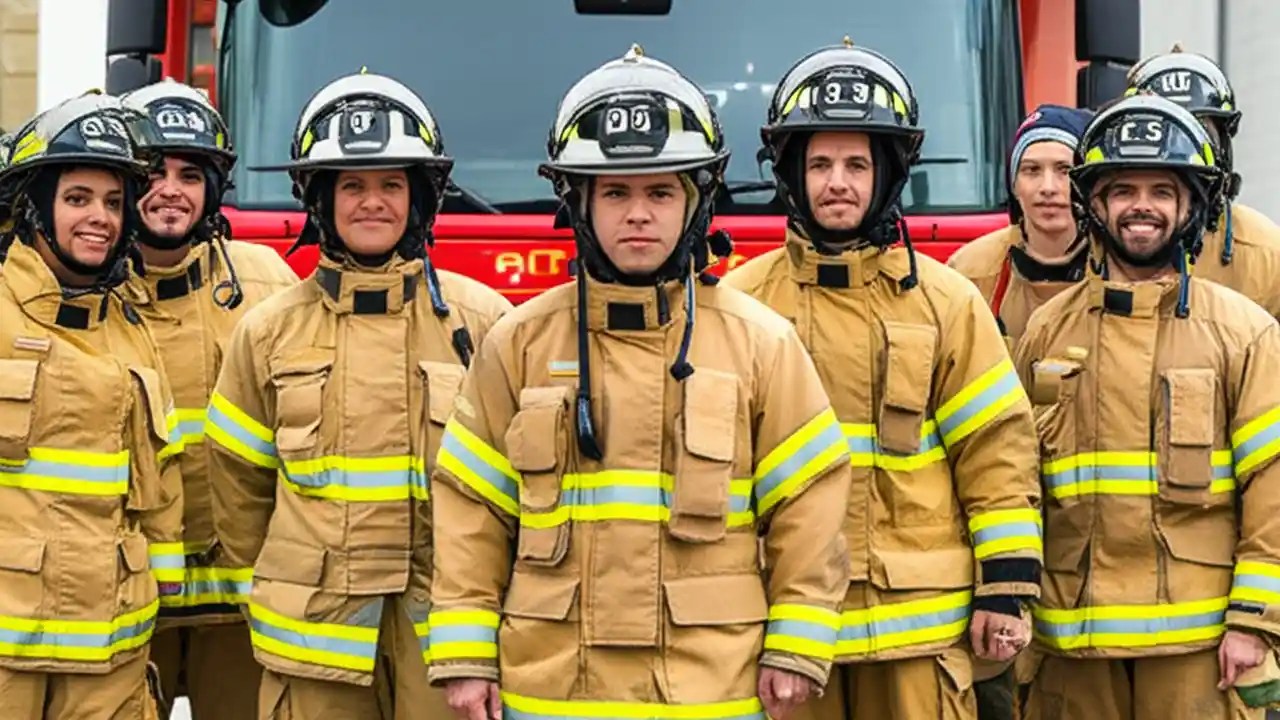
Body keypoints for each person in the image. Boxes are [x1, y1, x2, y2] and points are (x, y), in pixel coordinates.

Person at [428, 45, 852, 720]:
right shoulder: (518, 343)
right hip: (551, 691)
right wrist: (466, 657)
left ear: (695, 203)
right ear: (579, 201)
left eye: (660, 192)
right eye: (615, 193)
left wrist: (796, 648)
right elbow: (470, 512)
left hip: (711, 692)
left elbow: (810, 508)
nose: (637, 213)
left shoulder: (761, 344)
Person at [721, 40, 1044, 720]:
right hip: (785, 633)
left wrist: (1005, 586)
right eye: (820, 164)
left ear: (888, 173)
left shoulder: (947, 303)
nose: (837, 182)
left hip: (918, 634)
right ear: (792, 173)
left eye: (857, 165)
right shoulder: (740, 304)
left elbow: (997, 452)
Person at [204, 70, 512, 718]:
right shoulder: (267, 331)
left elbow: (512, 489)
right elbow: (239, 491)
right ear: (321, 199)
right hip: (313, 646)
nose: (372, 202)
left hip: (442, 645)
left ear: (419, 198)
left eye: (390, 185)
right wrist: (283, 585)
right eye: (352, 186)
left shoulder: (484, 321)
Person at [1014, 94, 1280, 720]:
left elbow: (1273, 489)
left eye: (1162, 190)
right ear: (1094, 203)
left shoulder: (1244, 333)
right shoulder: (1047, 330)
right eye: (1123, 190)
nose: (1142, 206)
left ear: (1192, 206)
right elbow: (1013, 479)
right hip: (1071, 644)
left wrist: (1254, 621)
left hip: (1199, 651)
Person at [119, 78, 299, 719]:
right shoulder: (83, 292)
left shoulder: (267, 280)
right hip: (130, 602)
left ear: (214, 188)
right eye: (153, 173)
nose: (171, 190)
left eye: (190, 175)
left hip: (238, 606)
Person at [0, 92, 183, 718]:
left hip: (113, 643)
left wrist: (163, 573)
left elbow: (161, 472)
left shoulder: (130, 325)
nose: (98, 217)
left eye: (112, 201)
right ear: (35, 207)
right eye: (77, 199)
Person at [1127, 45, 1280, 318]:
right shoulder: (1092, 242)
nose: (1187, 151)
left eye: (1200, 132)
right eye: (1170, 132)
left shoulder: (1267, 253)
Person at [947, 105, 1093, 349]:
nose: (1048, 187)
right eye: (1031, 170)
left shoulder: (1119, 271)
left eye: (1065, 170)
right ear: (1013, 185)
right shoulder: (967, 272)